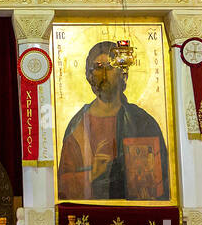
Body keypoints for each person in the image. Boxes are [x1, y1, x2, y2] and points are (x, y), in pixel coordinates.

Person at [58, 42, 171, 200]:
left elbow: (161, 180)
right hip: (91, 214)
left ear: (122, 74)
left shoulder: (142, 122)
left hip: (135, 213)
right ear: (89, 76)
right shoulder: (77, 126)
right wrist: (92, 173)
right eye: (98, 67)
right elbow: (63, 184)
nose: (103, 73)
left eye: (110, 66)